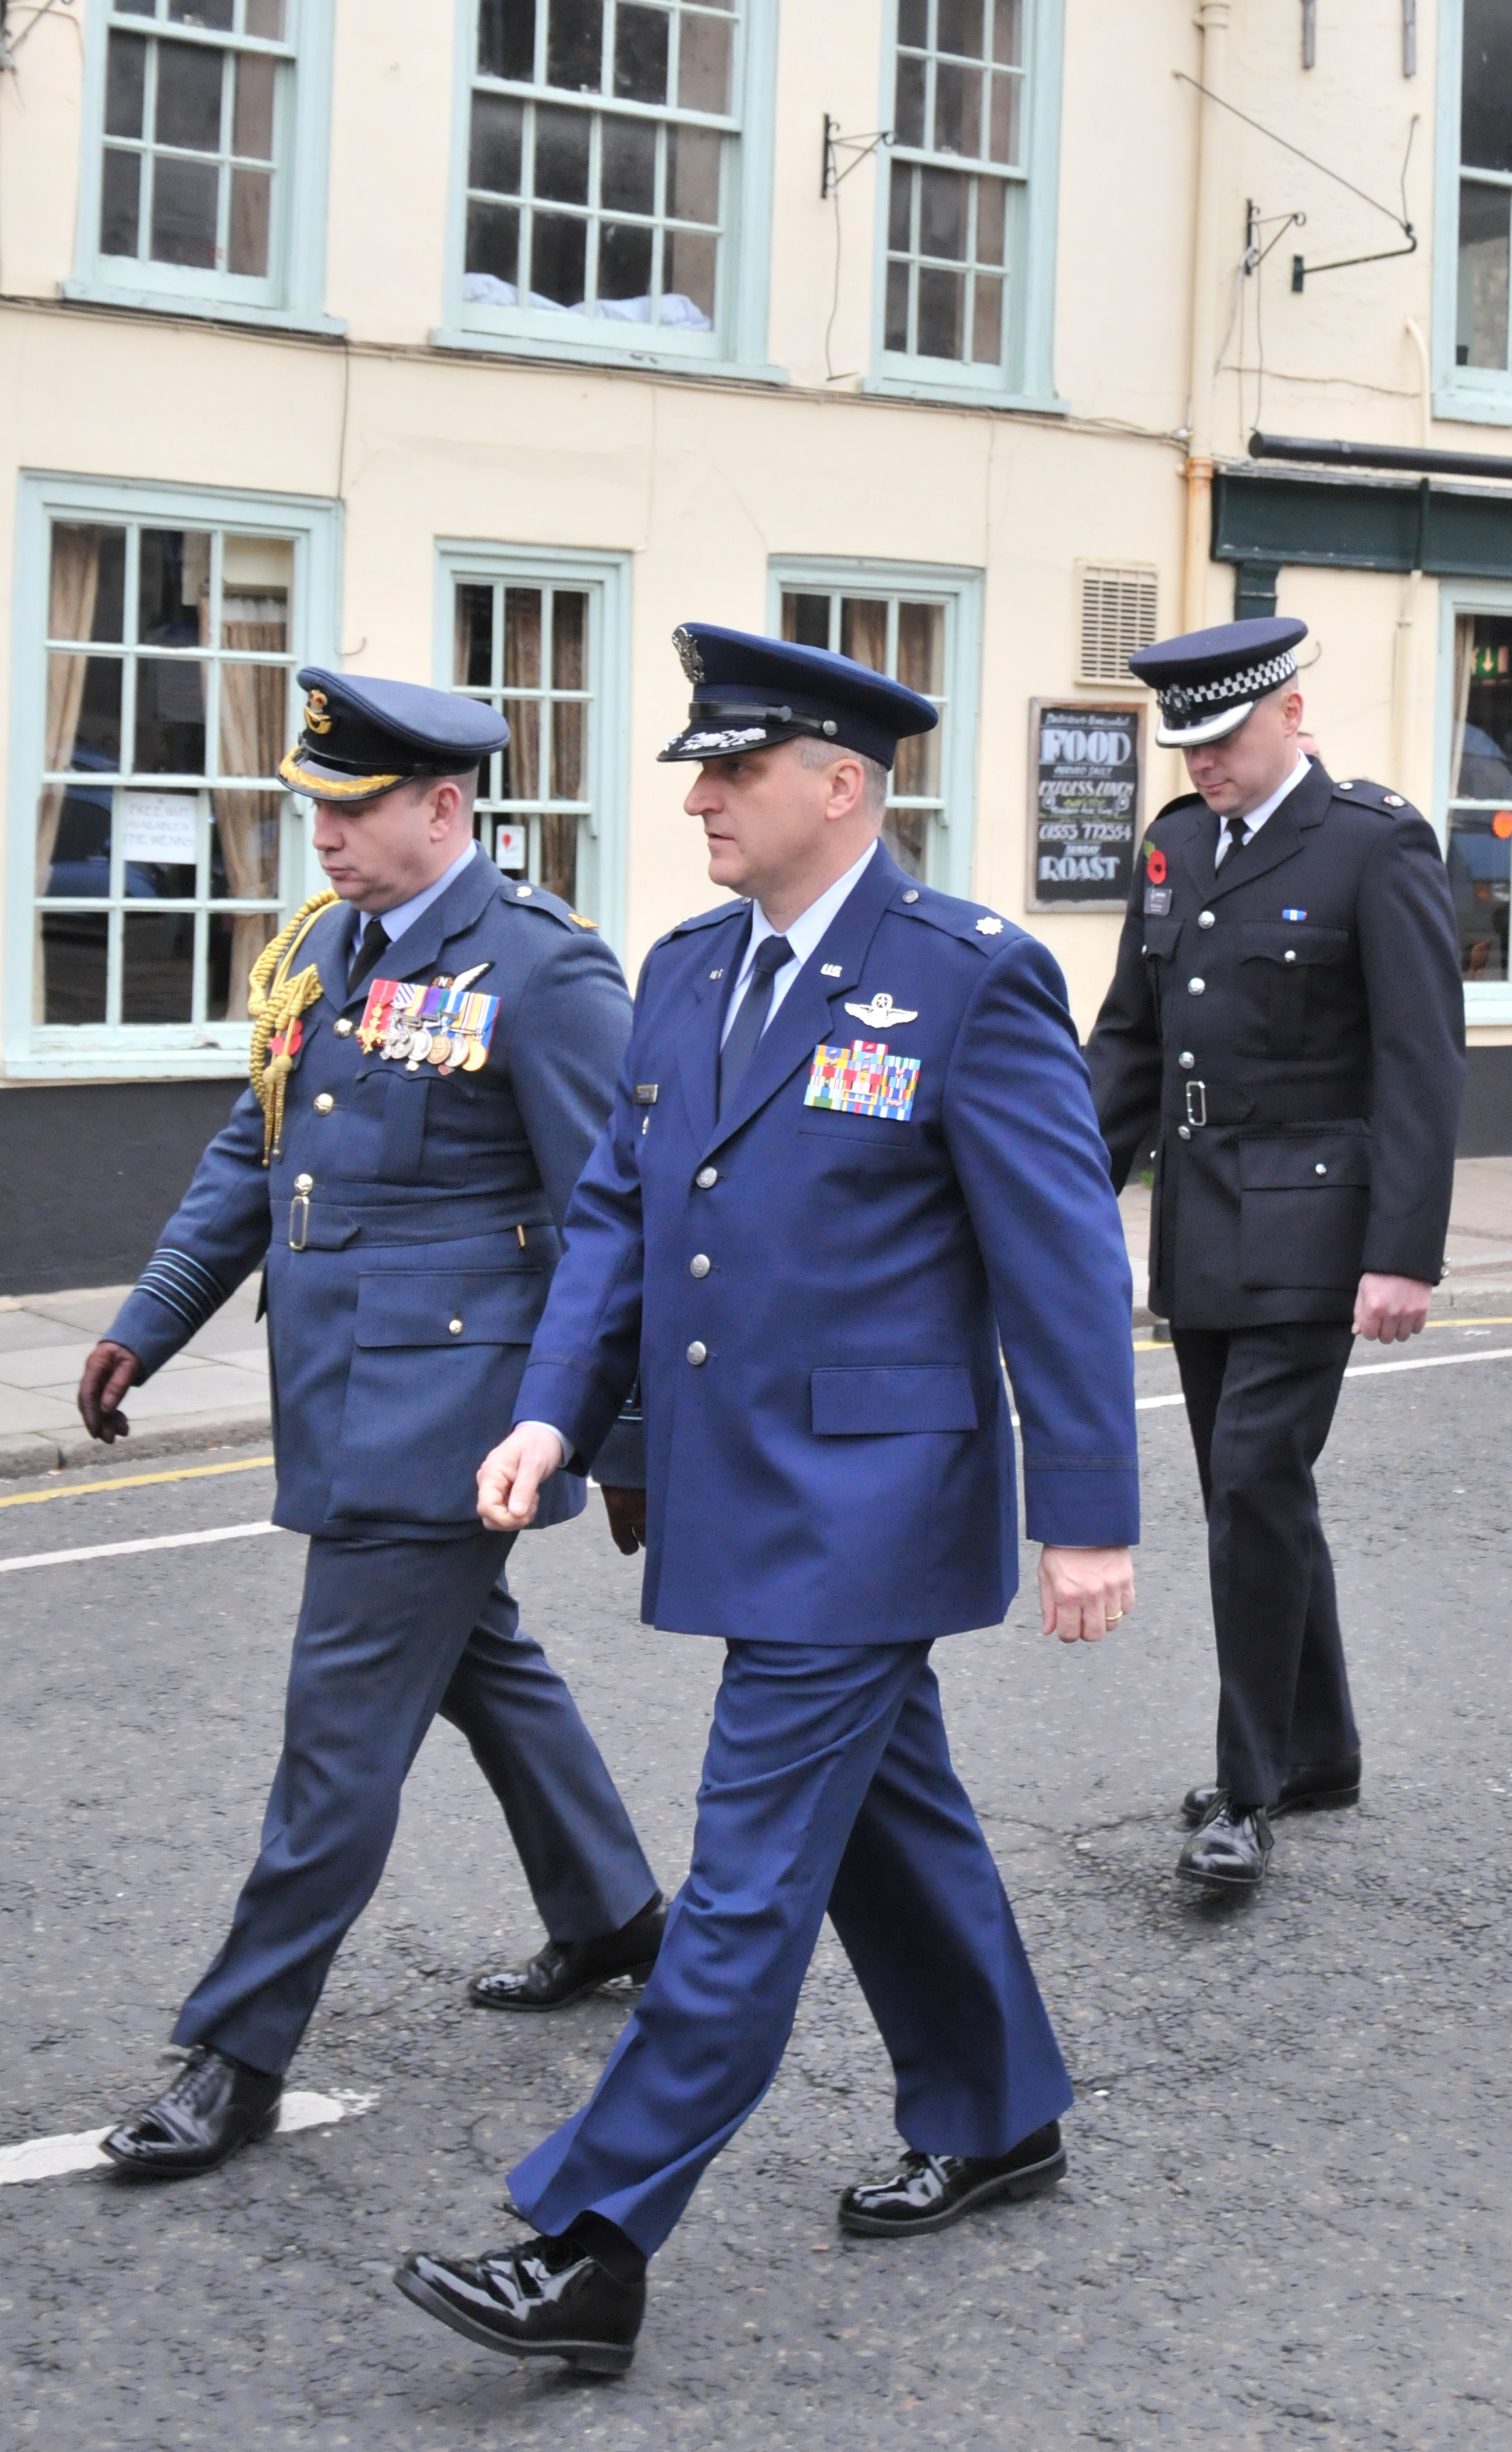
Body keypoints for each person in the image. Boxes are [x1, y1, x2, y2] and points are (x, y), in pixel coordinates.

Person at [390, 624, 1139, 2374]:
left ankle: (592, 2244)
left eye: (735, 771)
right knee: (895, 1818)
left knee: (739, 1890)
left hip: (875, 1502)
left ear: (844, 788)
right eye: (701, 771)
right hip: (751, 1490)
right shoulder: (684, 966)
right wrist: (556, 1414)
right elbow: (618, 1218)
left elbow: (1061, 1266)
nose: (705, 798)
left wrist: (1086, 1513)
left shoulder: (968, 977)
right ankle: (998, 2106)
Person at [79, 670, 665, 2179]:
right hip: (341, 1395)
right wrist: (151, 1316)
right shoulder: (327, 952)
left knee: (336, 1741)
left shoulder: (539, 972)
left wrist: (632, 1440)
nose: (326, 838)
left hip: (457, 1419)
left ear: (445, 808)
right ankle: (611, 1912)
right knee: (481, 1665)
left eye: (354, 810)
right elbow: (253, 1152)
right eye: (317, 809)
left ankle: (238, 2051)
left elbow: (619, 1218)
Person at [1087, 617, 1465, 1889]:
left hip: (1314, 1220)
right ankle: (1319, 1748)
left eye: (1225, 739)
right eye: (1184, 744)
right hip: (1198, 1220)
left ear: (1289, 712)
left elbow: (1420, 1059)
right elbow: (1128, 1042)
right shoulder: (1174, 843)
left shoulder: (1371, 842)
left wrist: (1402, 1250)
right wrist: (1058, 1183)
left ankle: (1244, 1792)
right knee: (1246, 1493)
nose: (1203, 765)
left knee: (1253, 1478)